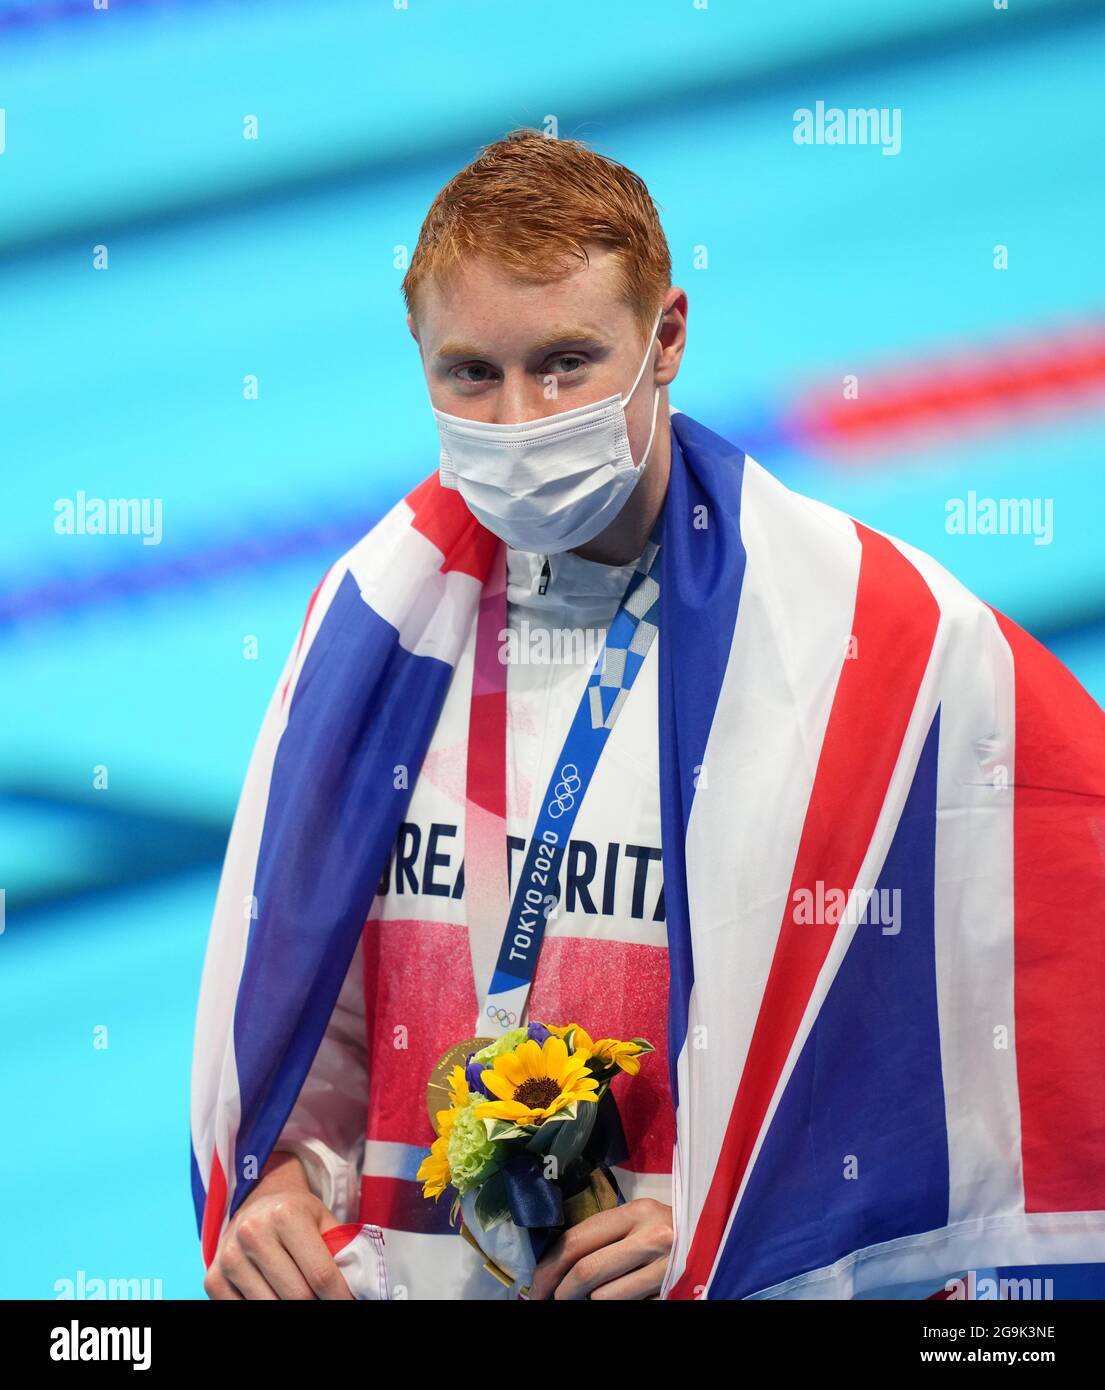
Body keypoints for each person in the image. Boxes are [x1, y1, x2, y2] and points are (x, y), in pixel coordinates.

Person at [192, 129, 1105, 1301]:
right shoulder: (364, 634)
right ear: (417, 352)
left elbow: (989, 1012)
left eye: (567, 362)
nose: (520, 420)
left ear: (666, 336)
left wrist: (731, 1216)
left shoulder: (878, 642)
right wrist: (279, 1181)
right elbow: (311, 1011)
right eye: (472, 372)